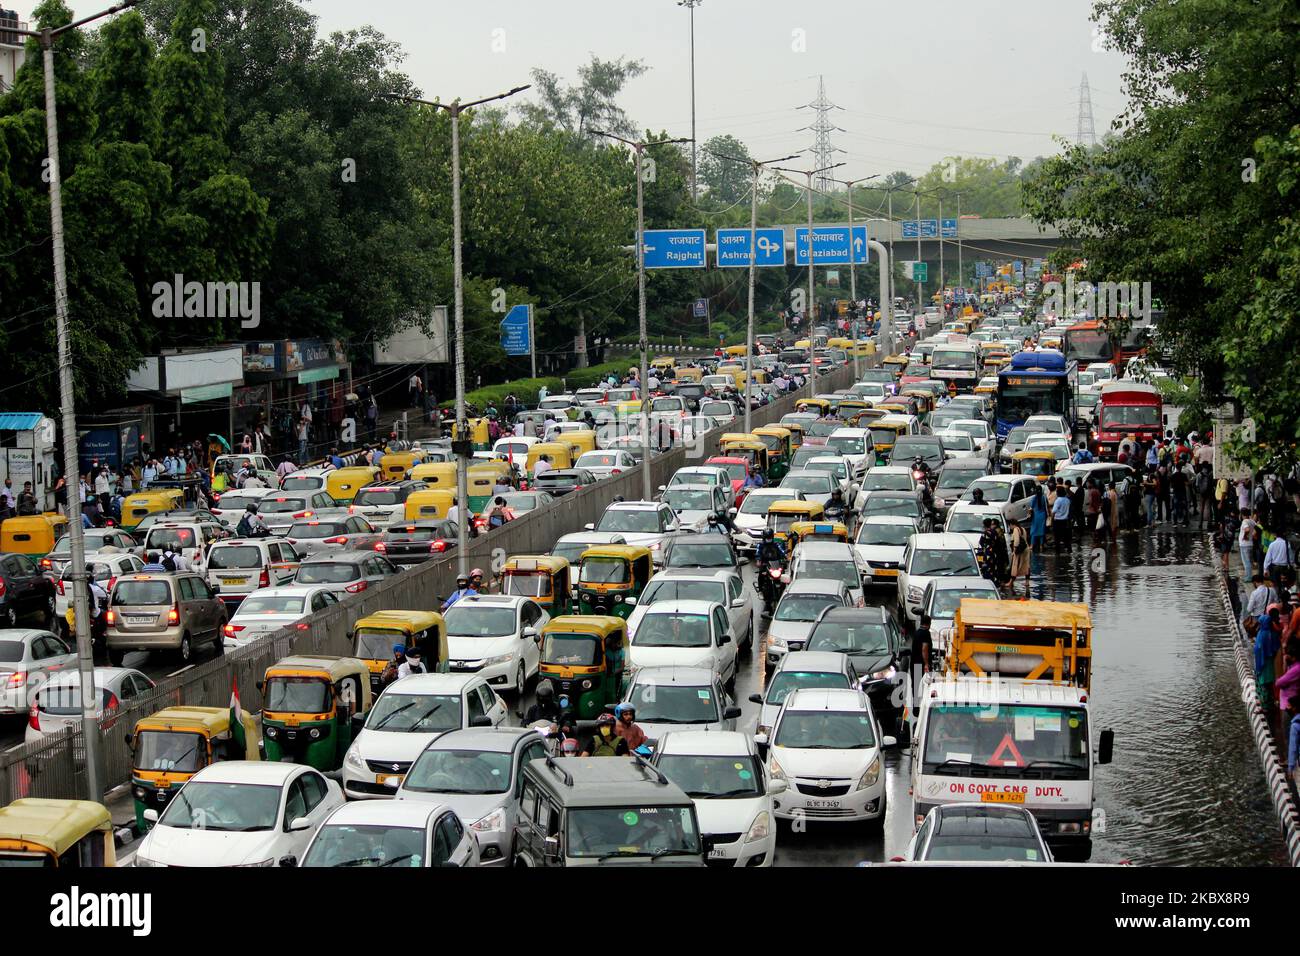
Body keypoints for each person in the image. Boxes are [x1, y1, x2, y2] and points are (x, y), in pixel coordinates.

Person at [1008, 519, 1030, 589]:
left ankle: (1011, 582)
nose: (1010, 527)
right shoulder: (1023, 529)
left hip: (1019, 550)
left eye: (1010, 525)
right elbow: (1025, 539)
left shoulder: (1015, 529)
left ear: (1012, 524)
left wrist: (1014, 550)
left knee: (1015, 565)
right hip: (1026, 548)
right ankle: (1027, 582)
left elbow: (1016, 541)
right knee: (1026, 565)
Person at [1052, 483, 1072, 551]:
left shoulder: (1058, 500)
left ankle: (1058, 551)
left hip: (1057, 521)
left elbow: (1054, 511)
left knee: (1057, 537)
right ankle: (1069, 549)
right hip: (1065, 521)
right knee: (1066, 537)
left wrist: (1052, 521)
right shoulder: (1067, 500)